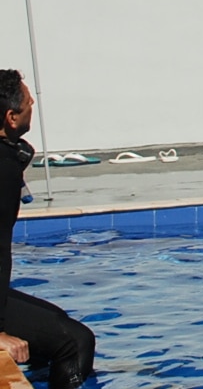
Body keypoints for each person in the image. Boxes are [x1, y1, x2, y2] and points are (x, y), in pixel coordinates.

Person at [0, 71, 95, 389]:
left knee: (58, 320)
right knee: (76, 342)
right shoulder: (3, 171)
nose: (32, 107)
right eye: (28, 103)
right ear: (11, 117)